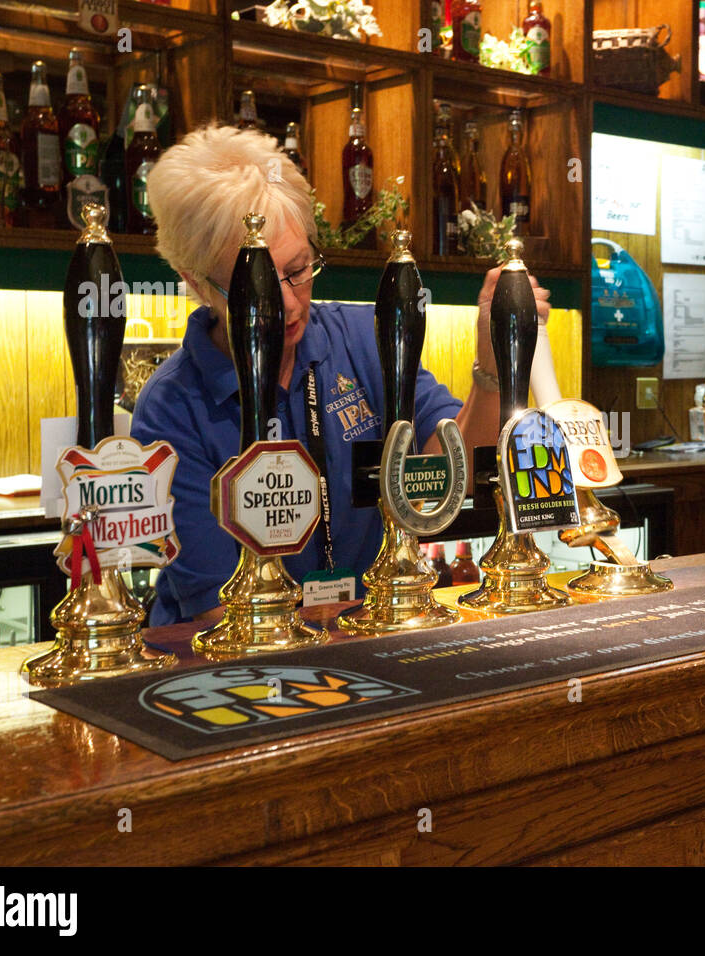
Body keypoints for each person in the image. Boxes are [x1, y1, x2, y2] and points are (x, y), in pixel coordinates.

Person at [131, 124, 549, 625]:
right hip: (228, 670)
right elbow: (217, 611)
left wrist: (492, 369)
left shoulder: (360, 336)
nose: (286, 303)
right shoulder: (171, 405)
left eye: (299, 269)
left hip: (363, 644)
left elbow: (445, 478)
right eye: (256, 289)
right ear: (196, 284)